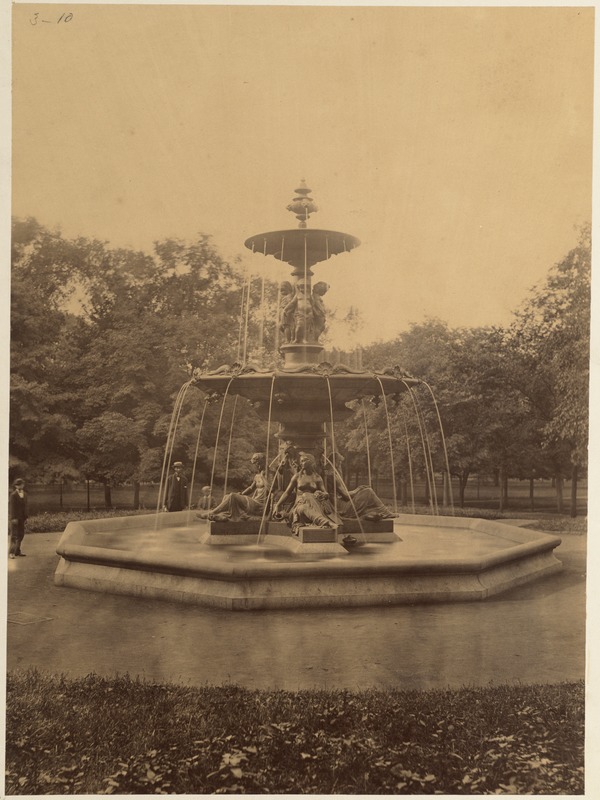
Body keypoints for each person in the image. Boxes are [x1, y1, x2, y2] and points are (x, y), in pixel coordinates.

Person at [273, 452, 342, 536]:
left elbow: (325, 492)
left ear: (311, 461)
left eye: (305, 460)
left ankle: (325, 522)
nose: (302, 463)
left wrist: (324, 495)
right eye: (301, 461)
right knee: (304, 500)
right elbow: (287, 493)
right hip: (299, 504)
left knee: (307, 497)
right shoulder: (297, 476)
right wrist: (278, 505)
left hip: (314, 505)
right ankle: (328, 523)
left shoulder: (317, 477)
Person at [322, 453, 395, 521]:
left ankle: (374, 514)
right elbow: (346, 496)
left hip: (336, 504)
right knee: (368, 492)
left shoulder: (327, 471)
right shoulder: (332, 474)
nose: (340, 464)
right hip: (340, 507)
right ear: (335, 461)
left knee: (365, 494)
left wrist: (358, 490)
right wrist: (358, 489)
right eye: (339, 461)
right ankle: (385, 512)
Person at [197, 453, 268, 522]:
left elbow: (271, 489)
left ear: (261, 463)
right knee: (226, 496)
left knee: (233, 496)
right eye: (254, 464)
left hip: (260, 505)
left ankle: (211, 513)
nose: (255, 466)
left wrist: (263, 477)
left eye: (256, 464)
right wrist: (241, 493)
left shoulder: (269, 474)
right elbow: (251, 488)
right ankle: (222, 516)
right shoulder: (257, 476)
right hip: (254, 501)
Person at [9, 478, 28, 559]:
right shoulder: (13, 495)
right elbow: (12, 507)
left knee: (21, 534)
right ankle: (11, 552)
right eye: (18, 485)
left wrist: (26, 517)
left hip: (22, 518)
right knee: (14, 535)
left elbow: (25, 507)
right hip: (15, 518)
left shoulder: (25, 494)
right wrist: (13, 518)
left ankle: (17, 551)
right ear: (16, 486)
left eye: (21, 484)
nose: (20, 486)